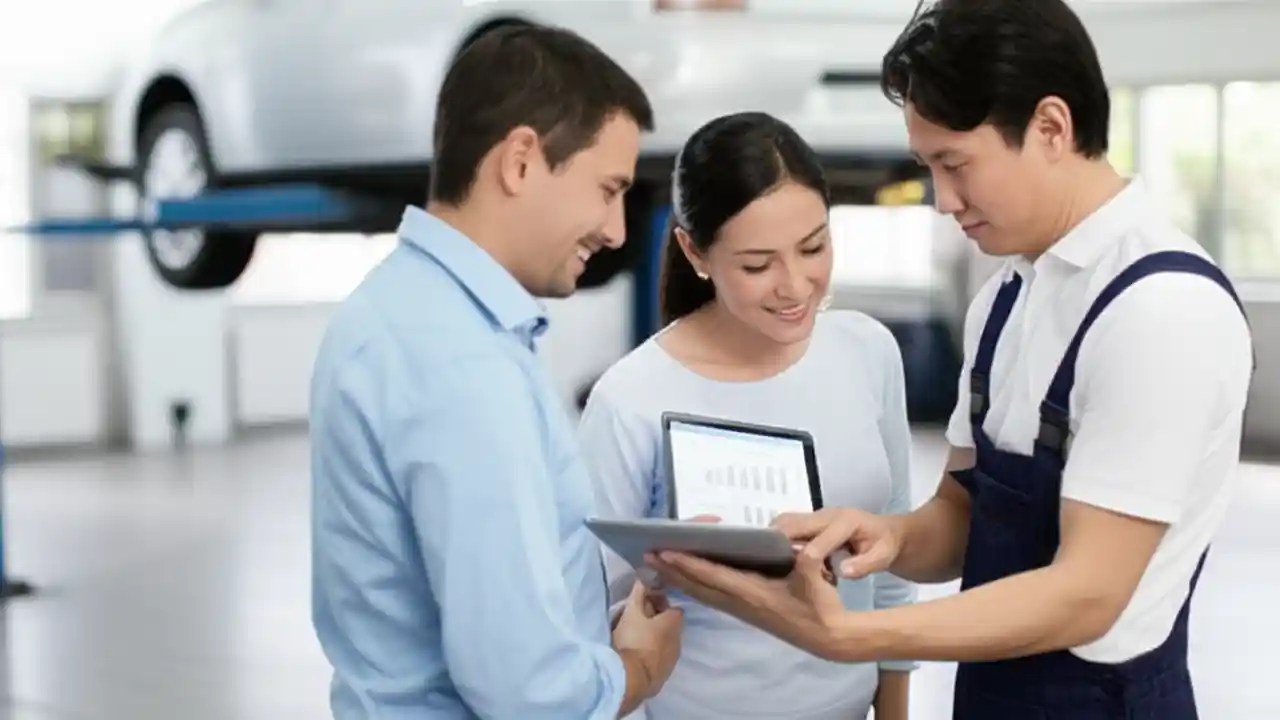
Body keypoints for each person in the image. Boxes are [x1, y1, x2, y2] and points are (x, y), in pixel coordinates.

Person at [645, 1, 1255, 718]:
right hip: (994, 693)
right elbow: (964, 519)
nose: (941, 200)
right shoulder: (1005, 299)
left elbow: (1087, 593)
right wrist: (884, 536)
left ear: (1051, 128)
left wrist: (854, 636)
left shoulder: (1159, 309)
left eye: (955, 164)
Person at [309, 25, 684, 719]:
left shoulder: (389, 311)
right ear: (519, 161)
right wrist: (637, 669)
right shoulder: (461, 361)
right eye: (608, 189)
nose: (616, 231)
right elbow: (524, 689)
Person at [578, 111, 916, 720]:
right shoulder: (631, 399)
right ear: (694, 251)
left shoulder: (867, 351)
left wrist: (894, 711)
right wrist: (668, 575)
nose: (795, 286)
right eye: (758, 265)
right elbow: (585, 621)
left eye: (814, 247)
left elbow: (894, 557)